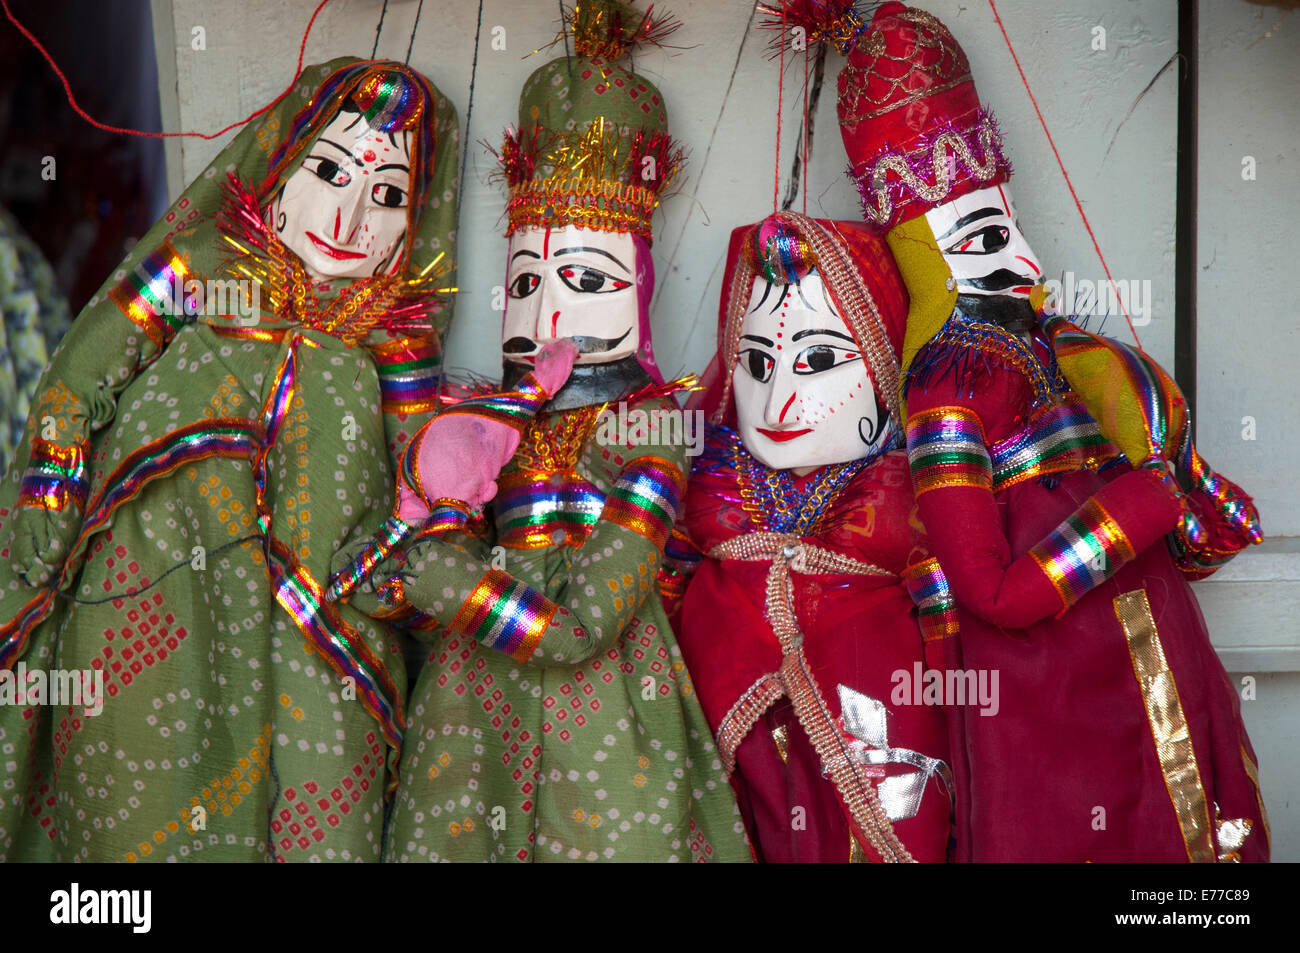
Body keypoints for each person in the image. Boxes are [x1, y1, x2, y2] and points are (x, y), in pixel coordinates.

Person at [782, 0, 1268, 861]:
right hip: (1058, 702)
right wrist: (1139, 505)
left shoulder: (1040, 353)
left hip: (1124, 670)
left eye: (1013, 228)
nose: (1033, 267)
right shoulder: (946, 387)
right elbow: (993, 590)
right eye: (990, 236)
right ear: (931, 253)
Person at [0, 58, 460, 861]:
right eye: (330, 170)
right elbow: (84, 366)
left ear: (413, 226)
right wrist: (51, 485)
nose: (349, 218)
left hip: (321, 623)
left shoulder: (394, 337)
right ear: (277, 166)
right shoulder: (204, 265)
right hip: (153, 579)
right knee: (135, 789)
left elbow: (428, 479)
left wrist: (418, 571)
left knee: (321, 804)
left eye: (387, 195)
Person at [336, 0, 752, 862]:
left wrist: (452, 582)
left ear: (638, 284)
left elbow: (581, 626)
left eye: (581, 276)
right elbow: (392, 578)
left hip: (608, 706)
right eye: (523, 280)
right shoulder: (489, 416)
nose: (546, 309)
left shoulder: (650, 428)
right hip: (470, 711)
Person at [667, 213, 955, 863]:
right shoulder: (697, 486)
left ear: (883, 362)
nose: (776, 404)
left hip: (880, 746)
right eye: (757, 362)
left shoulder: (921, 497)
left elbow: (960, 645)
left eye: (819, 359)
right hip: (728, 767)